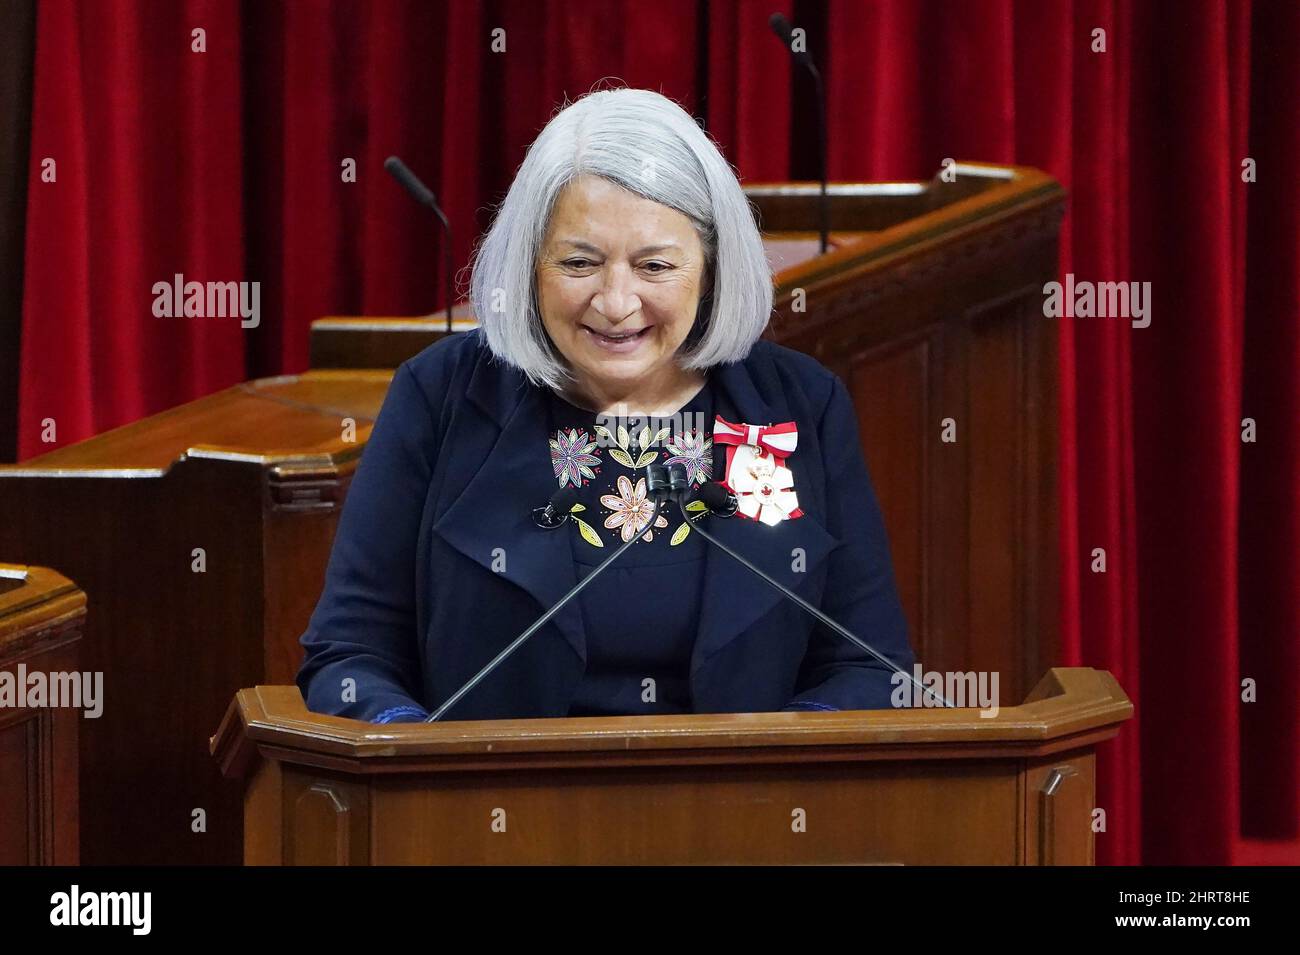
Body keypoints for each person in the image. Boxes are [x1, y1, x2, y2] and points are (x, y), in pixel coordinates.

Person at [296, 87, 914, 723]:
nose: (616, 302)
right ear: (529, 265)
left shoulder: (800, 403)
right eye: (579, 262)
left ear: (711, 268)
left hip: (741, 813)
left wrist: (774, 770)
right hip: (495, 813)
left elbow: (869, 664)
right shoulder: (439, 397)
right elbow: (349, 654)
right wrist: (416, 762)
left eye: (654, 266)